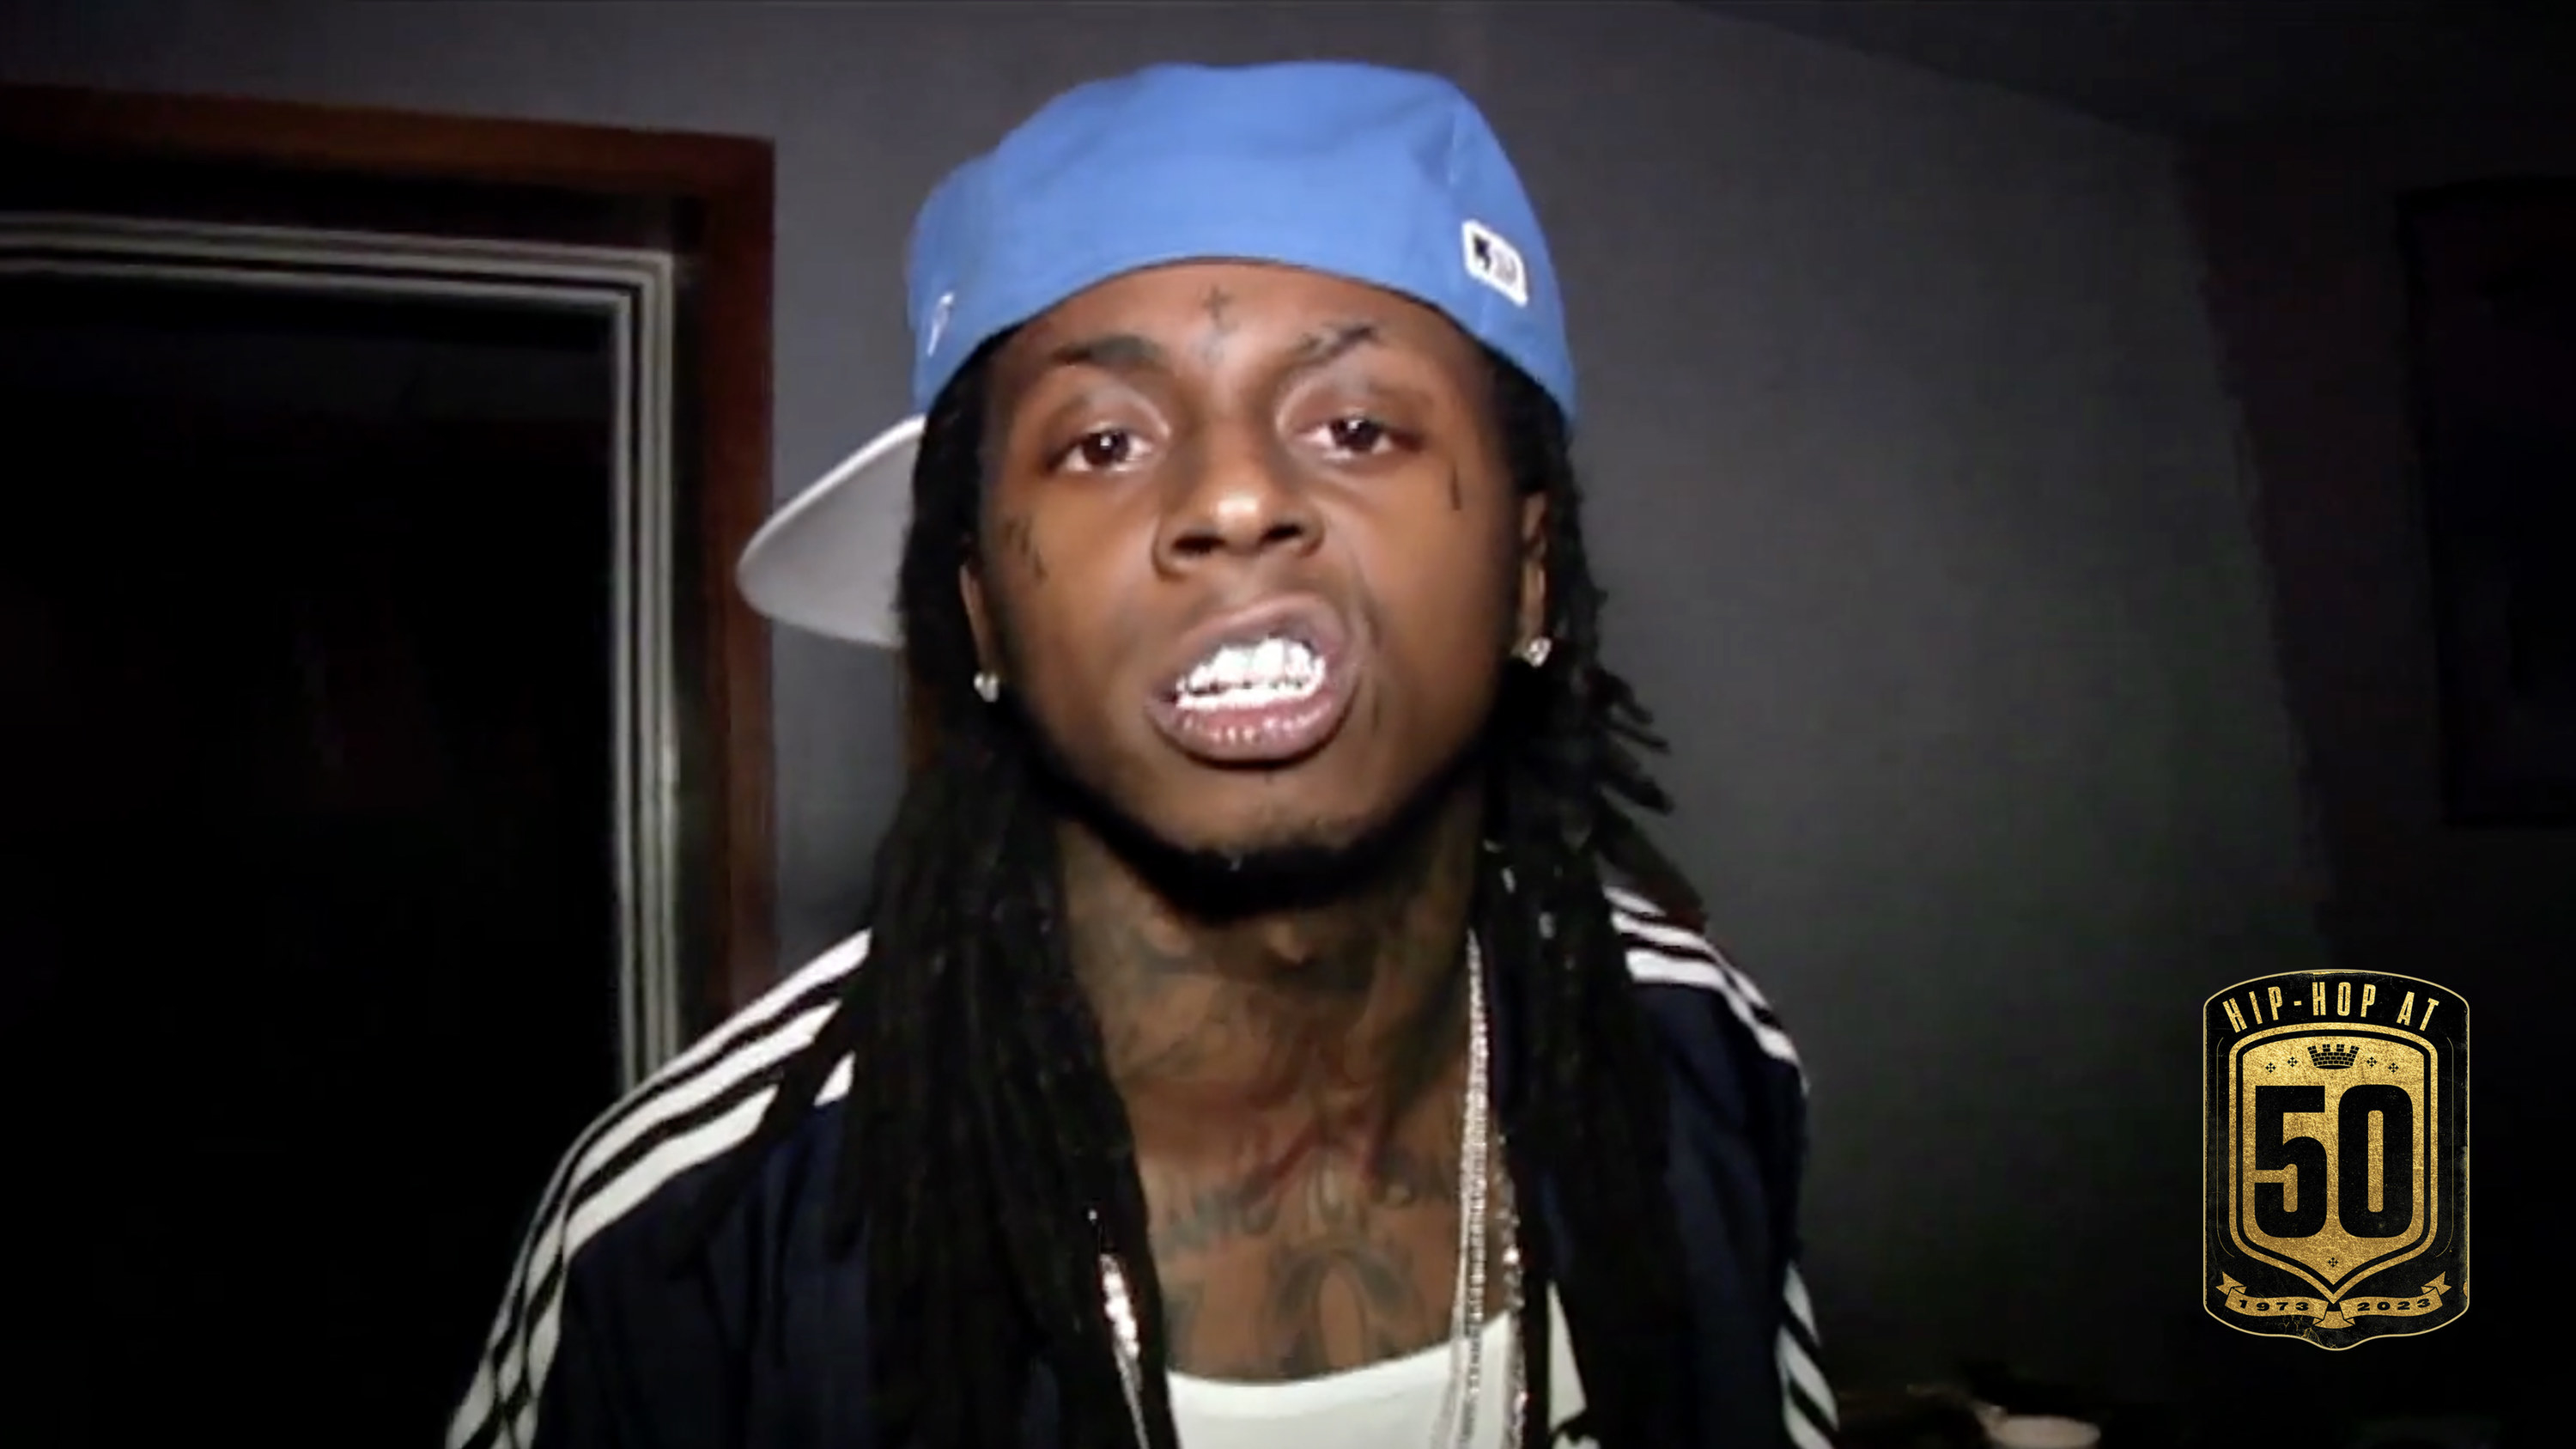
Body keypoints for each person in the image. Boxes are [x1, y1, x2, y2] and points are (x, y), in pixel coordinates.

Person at [447, 59, 1834, 1449]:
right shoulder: (679, 1245)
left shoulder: (1698, 1053)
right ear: (979, 610)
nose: (1233, 499)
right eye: (1104, 442)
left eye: (1357, 426)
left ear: (1530, 575)